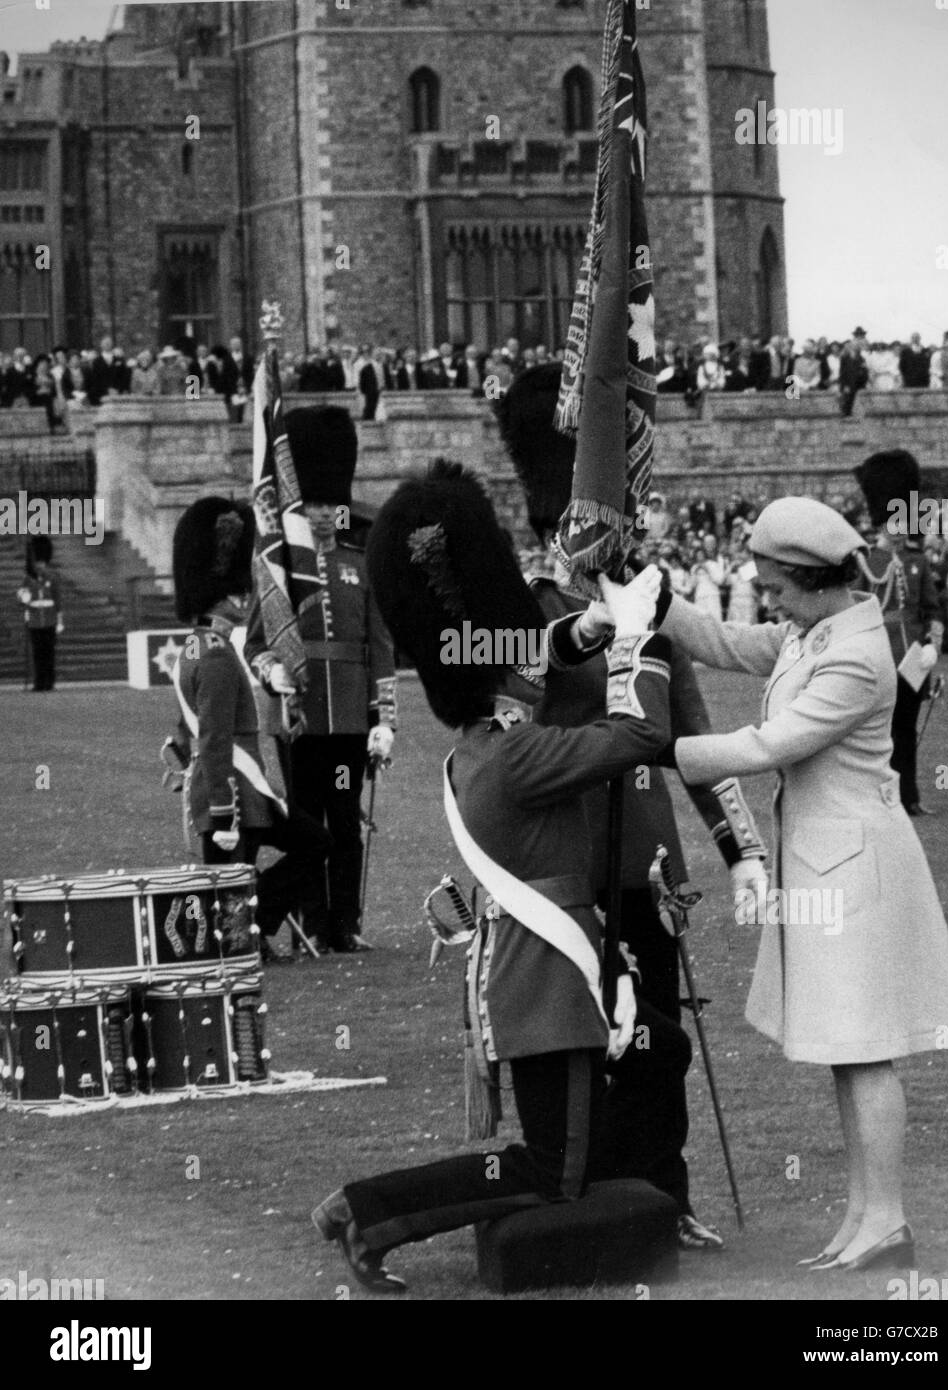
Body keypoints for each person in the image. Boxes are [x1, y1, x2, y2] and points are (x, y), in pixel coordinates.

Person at [312, 458, 690, 1292]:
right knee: (549, 1170)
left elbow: (523, 656)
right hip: (547, 980)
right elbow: (636, 736)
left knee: (663, 1046)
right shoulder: (517, 756)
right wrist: (638, 639)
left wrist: (586, 632)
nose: (534, 670)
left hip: (533, 969)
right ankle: (369, 1213)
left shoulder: (483, 743)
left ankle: (651, 1204)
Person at [651, 494, 948, 1271]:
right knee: (844, 1047)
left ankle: (887, 1215)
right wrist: (653, 595)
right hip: (829, 863)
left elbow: (770, 743)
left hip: (857, 868)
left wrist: (656, 751)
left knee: (865, 1048)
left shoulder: (856, 653)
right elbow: (726, 641)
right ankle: (867, 1214)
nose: (770, 600)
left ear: (815, 579)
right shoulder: (818, 627)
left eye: (777, 585)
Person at [496, 364, 769, 1249]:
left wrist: (743, 852)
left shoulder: (650, 607)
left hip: (646, 865)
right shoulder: (534, 613)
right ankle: (593, 1201)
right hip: (564, 868)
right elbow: (507, 730)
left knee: (656, 1042)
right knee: (582, 1045)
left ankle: (663, 1195)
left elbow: (694, 740)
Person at [245, 406, 396, 953]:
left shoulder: (360, 560)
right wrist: (273, 671)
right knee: (310, 827)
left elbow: (379, 648)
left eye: (334, 506)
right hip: (302, 717)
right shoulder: (281, 570)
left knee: (345, 824)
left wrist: (385, 722)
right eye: (317, 506)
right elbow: (255, 643)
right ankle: (311, 921)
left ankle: (344, 925)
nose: (328, 515)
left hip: (350, 718)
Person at [170, 497, 332, 954]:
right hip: (235, 795)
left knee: (307, 846)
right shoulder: (218, 655)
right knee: (233, 897)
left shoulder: (197, 647)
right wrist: (222, 809)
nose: (246, 598)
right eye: (237, 592)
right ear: (221, 595)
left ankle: (258, 926)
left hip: (235, 788)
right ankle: (252, 934)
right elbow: (215, 736)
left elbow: (184, 729)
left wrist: (183, 765)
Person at [854, 451, 945, 815]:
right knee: (879, 735)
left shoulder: (917, 561)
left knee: (906, 732)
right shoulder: (865, 560)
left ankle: (909, 798)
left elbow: (933, 608)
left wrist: (933, 646)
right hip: (878, 657)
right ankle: (881, 797)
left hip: (913, 660)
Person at [17, 535, 62, 691]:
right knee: (38, 655)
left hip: (49, 621)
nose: (40, 565)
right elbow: (21, 598)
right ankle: (39, 683)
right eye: (37, 562)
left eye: (42, 562)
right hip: (35, 622)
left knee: (49, 654)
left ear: (45, 561)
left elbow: (57, 601)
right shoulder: (27, 580)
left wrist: (60, 621)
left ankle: (49, 683)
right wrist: (23, 597)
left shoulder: (53, 578)